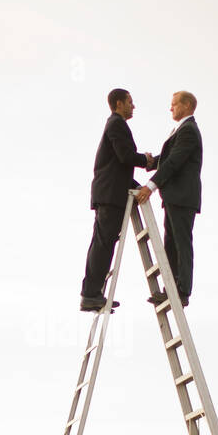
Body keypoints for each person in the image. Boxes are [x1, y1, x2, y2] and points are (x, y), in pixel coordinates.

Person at [80, 88, 150, 312]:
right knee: (103, 244)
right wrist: (147, 161)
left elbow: (116, 167)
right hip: (110, 196)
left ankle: (93, 292)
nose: (133, 106)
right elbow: (125, 157)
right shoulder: (117, 124)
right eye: (130, 102)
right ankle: (91, 293)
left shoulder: (114, 124)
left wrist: (137, 186)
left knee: (103, 243)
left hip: (110, 192)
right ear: (119, 103)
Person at [136, 91, 202, 308]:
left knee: (181, 243)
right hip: (174, 197)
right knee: (171, 244)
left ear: (186, 105)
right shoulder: (181, 130)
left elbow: (174, 162)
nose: (170, 108)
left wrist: (151, 186)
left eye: (174, 104)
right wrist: (144, 161)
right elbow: (166, 159)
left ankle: (182, 291)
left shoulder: (189, 130)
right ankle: (171, 289)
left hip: (183, 197)